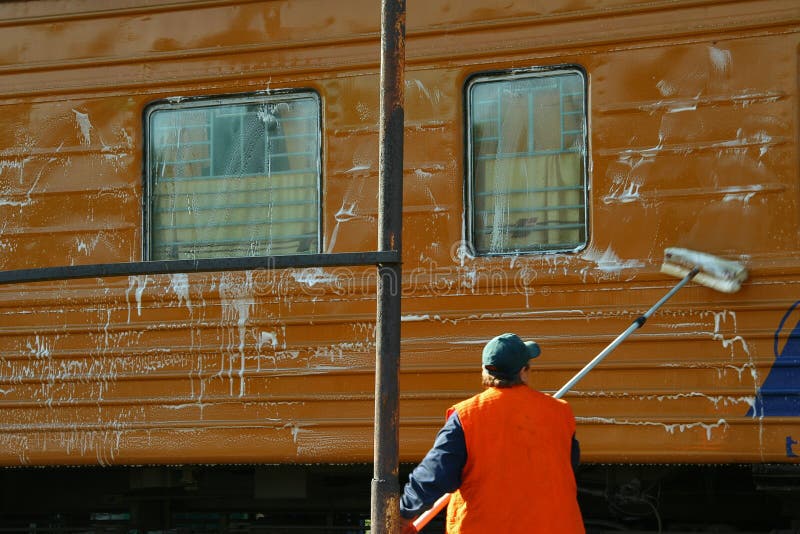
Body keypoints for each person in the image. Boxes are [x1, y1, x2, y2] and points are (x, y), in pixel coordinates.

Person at [399, 333, 584, 533]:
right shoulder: (560, 412)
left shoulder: (467, 416)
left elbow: (434, 475)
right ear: (523, 371)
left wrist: (402, 515)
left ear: (484, 371)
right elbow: (567, 465)